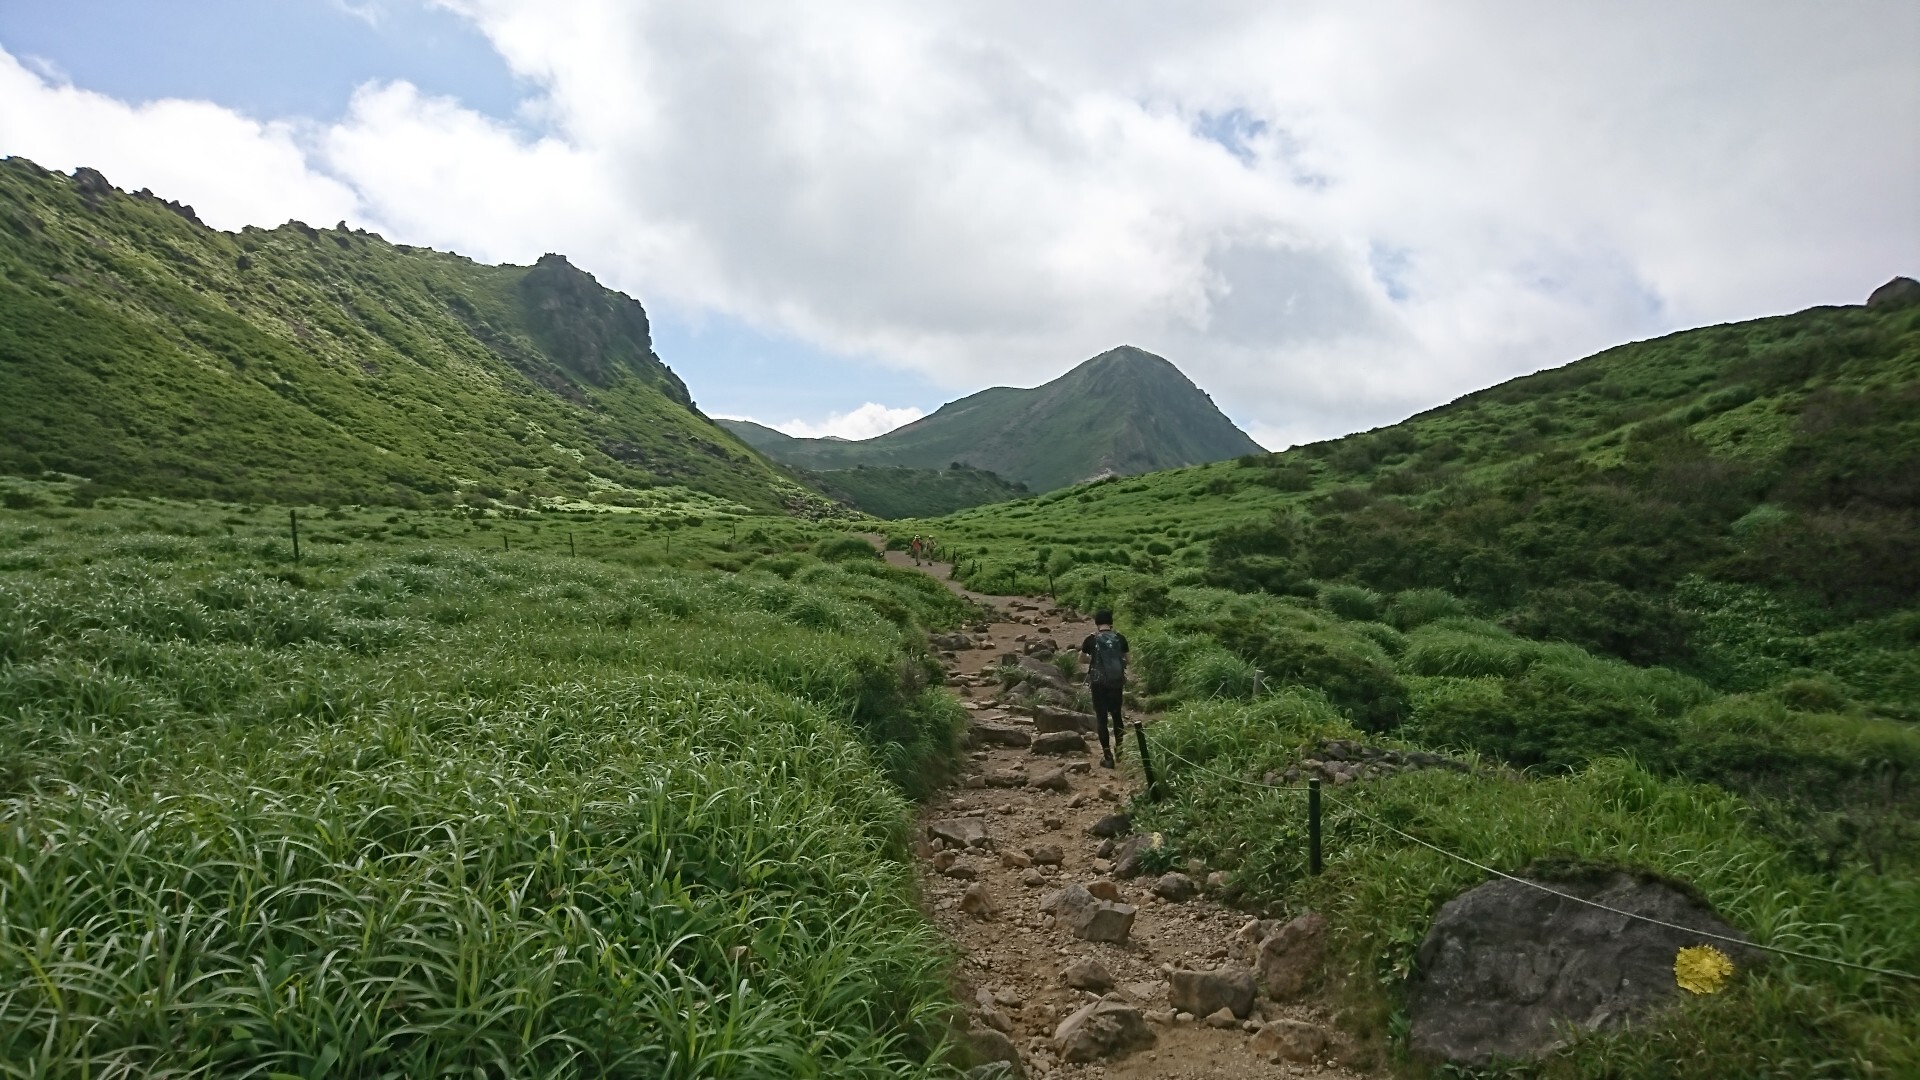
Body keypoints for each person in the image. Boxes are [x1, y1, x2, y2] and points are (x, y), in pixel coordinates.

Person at [1080, 608, 1130, 769]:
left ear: (1097, 623)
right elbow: (1127, 659)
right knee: (1116, 716)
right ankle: (1120, 752)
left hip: (1098, 683)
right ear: (1111, 622)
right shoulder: (1120, 638)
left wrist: (1093, 659)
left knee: (1101, 718)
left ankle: (1108, 757)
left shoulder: (1091, 639)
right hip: (1116, 683)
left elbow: (1081, 659)